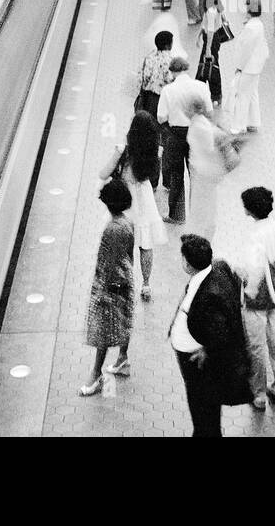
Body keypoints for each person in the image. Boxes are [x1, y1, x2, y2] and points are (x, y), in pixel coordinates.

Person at [169, 234, 251, 436]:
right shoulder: (218, 267)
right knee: (204, 410)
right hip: (194, 355)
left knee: (203, 411)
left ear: (188, 265)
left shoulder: (209, 295)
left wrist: (207, 351)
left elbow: (221, 334)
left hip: (197, 363)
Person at [100, 112, 167, 302]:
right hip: (145, 199)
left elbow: (103, 174)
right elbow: (153, 177)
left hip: (124, 200)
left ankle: (123, 280)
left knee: (123, 241)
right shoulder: (156, 151)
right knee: (145, 243)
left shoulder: (123, 150)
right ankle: (146, 284)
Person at [80, 177, 135, 396]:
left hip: (111, 286)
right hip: (126, 279)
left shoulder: (112, 229)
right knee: (124, 321)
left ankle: (96, 376)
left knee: (103, 331)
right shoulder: (128, 222)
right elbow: (128, 256)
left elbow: (109, 263)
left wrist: (105, 291)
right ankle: (122, 359)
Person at [240, 187, 275, 411]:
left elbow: (256, 267)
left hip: (258, 299)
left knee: (256, 346)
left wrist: (248, 292)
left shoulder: (255, 235)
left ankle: (258, 395)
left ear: (249, 209)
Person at [158, 56, 212, 223]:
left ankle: (177, 215)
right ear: (186, 69)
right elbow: (209, 111)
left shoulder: (168, 90)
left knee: (176, 175)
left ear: (173, 72)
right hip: (196, 132)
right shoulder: (201, 86)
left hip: (175, 135)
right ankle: (197, 212)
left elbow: (161, 117)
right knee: (195, 173)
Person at [186, 93, 231, 240]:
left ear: (193, 109)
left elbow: (209, 149)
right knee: (208, 205)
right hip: (206, 172)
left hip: (204, 173)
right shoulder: (202, 122)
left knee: (202, 208)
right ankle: (204, 234)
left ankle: (201, 237)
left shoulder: (199, 126)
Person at [230, 0, 269, 135]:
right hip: (256, 67)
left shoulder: (251, 27)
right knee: (252, 93)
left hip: (248, 67)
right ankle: (253, 122)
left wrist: (239, 66)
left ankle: (238, 126)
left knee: (242, 95)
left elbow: (246, 49)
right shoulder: (258, 24)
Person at [195, 0, 230, 105]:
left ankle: (209, 95)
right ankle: (214, 95)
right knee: (211, 66)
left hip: (211, 41)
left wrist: (208, 48)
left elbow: (210, 31)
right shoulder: (215, 6)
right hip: (212, 40)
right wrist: (199, 35)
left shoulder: (211, 10)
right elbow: (206, 24)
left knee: (208, 66)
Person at [135, 30, 175, 120]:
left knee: (145, 122)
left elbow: (142, 77)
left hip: (147, 97)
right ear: (168, 45)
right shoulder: (170, 60)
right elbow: (170, 80)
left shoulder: (149, 57)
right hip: (161, 100)